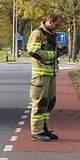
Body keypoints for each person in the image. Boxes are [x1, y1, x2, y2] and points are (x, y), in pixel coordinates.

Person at [26, 13, 68, 141]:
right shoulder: (38, 34)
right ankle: (36, 131)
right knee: (40, 102)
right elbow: (34, 51)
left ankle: (44, 129)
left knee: (49, 103)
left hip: (50, 74)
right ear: (50, 21)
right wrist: (55, 54)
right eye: (56, 24)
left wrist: (60, 52)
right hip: (41, 75)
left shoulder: (50, 35)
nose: (57, 27)